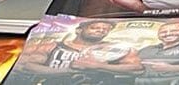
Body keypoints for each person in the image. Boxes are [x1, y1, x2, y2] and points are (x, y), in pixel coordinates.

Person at [12, 19, 143, 84]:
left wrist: (98, 66)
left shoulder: (116, 48)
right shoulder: (51, 46)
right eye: (95, 27)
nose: (101, 30)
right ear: (79, 30)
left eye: (105, 29)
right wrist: (69, 70)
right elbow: (25, 66)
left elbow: (137, 69)